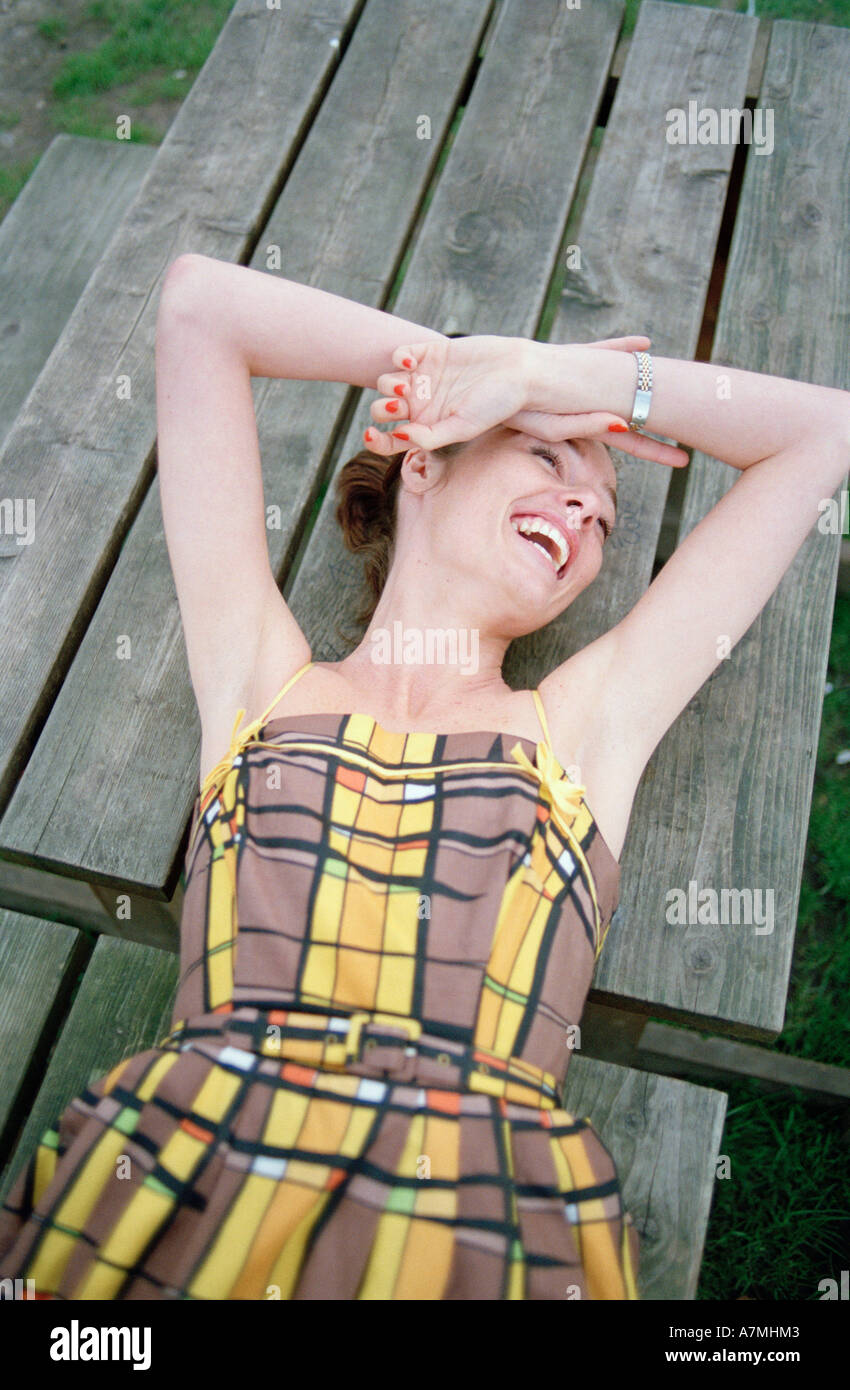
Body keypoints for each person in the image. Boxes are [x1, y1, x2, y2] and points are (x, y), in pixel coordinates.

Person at [1, 255, 847, 1301]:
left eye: (603, 515)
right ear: (424, 460)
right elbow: (196, 304)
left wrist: (566, 381)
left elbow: (824, 433)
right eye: (545, 458)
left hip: (466, 1214)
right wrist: (458, 371)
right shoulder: (255, 675)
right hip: (190, 1176)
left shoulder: (587, 728)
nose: (582, 515)